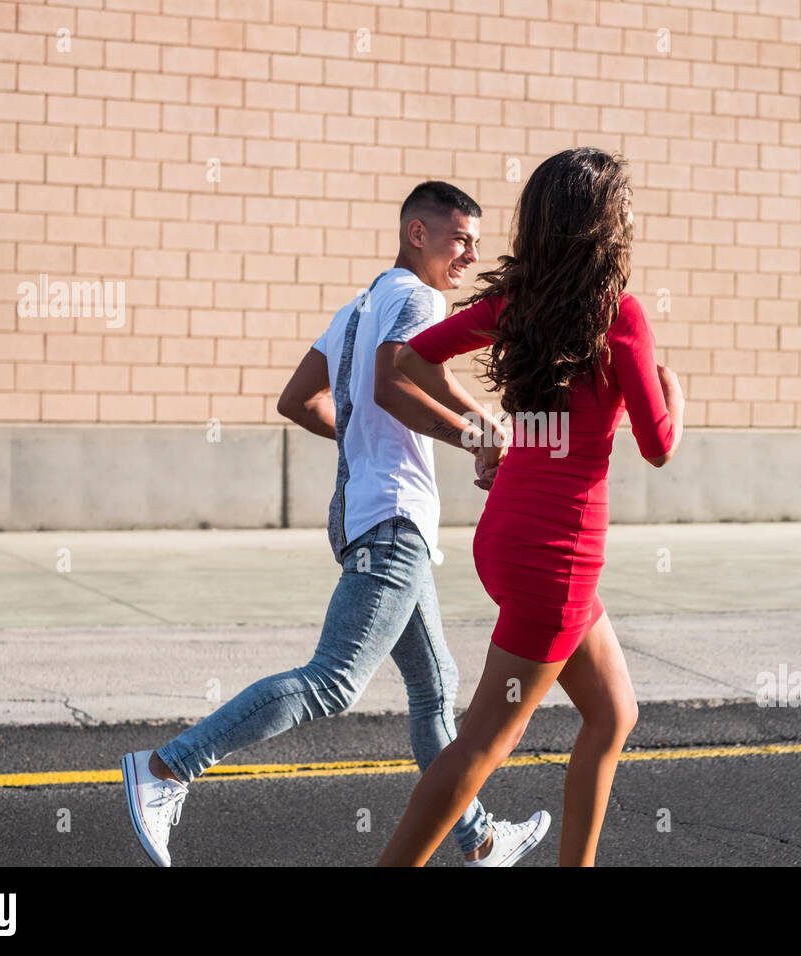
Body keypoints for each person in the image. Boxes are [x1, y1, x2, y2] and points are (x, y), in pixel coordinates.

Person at [121, 181, 550, 867]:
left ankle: (481, 841)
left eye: (474, 240)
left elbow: (301, 400)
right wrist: (476, 436)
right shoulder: (418, 297)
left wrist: (379, 439)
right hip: (393, 519)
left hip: (363, 512)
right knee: (334, 681)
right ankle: (168, 768)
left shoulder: (358, 307)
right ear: (418, 233)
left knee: (434, 689)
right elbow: (396, 382)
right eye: (458, 237)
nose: (470, 253)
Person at [377, 148, 685, 867]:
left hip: (509, 537)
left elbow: (414, 360)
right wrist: (677, 393)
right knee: (486, 741)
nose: (634, 215)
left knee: (612, 715)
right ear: (601, 226)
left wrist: (492, 436)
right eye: (625, 206)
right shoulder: (621, 317)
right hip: (560, 557)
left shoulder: (520, 305)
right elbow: (659, 446)